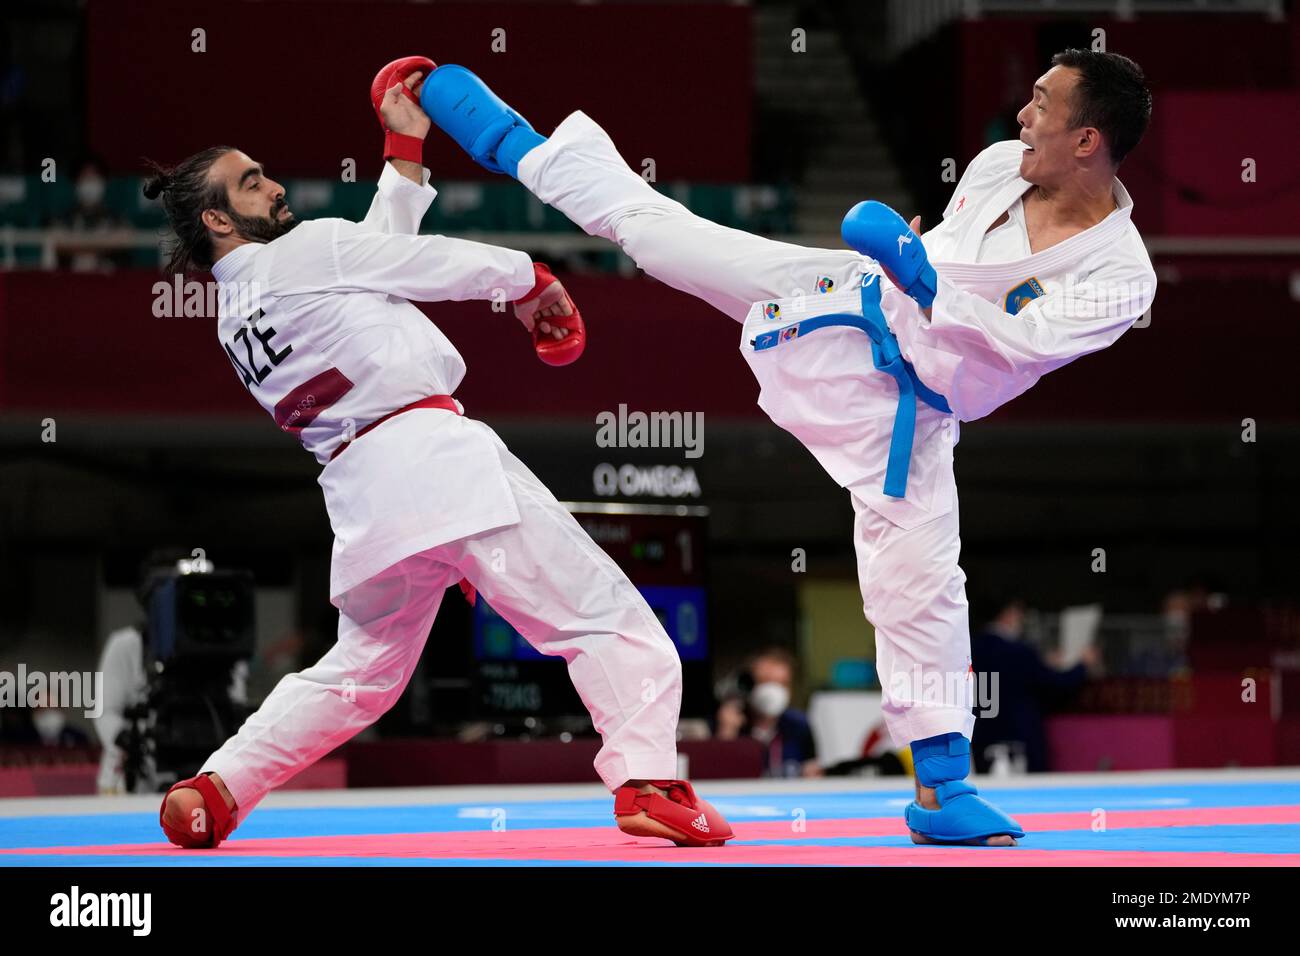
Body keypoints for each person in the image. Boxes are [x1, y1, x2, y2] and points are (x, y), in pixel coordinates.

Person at [420, 48, 1156, 846]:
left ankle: (941, 792)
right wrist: (913, 262)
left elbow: (1017, 347)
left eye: (1042, 104)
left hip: (911, 405)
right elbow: (941, 248)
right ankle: (505, 136)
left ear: (1087, 140)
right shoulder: (995, 165)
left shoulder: (1122, 275)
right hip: (856, 293)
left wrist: (926, 282)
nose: (1022, 114)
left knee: (919, 579)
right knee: (665, 238)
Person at [149, 58, 732, 850]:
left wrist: (404, 146)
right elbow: (417, 267)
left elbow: (374, 263)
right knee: (606, 620)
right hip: (436, 458)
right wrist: (529, 281)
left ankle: (217, 785)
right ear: (217, 219)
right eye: (250, 183)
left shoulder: (237, 314)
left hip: (364, 496)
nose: (274, 185)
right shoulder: (305, 253)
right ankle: (649, 780)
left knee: (362, 676)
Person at [969, 598, 1097, 773]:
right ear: (1009, 613)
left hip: (980, 739)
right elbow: (1056, 685)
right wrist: (1082, 665)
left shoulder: (972, 649)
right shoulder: (1019, 652)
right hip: (1019, 742)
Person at [715, 648, 821, 778]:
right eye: (765, 681)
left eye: (783, 683)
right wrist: (727, 733)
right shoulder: (730, 722)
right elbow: (718, 776)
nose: (774, 691)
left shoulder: (799, 726)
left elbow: (812, 773)